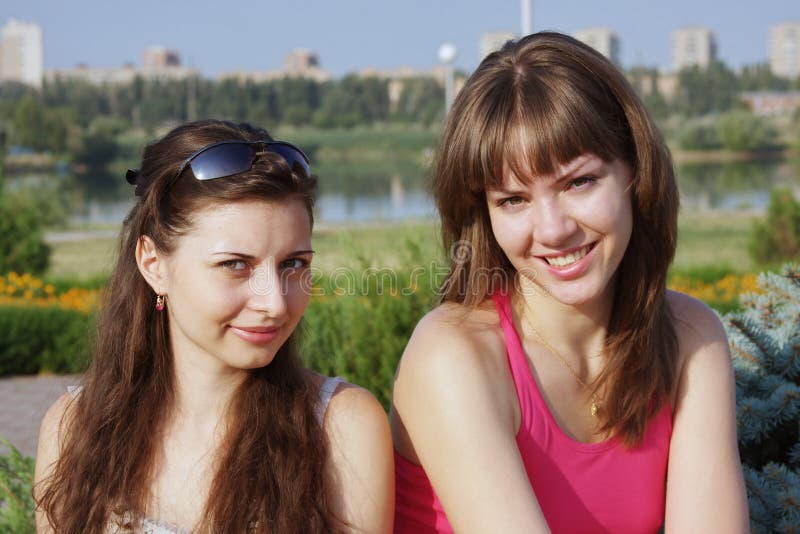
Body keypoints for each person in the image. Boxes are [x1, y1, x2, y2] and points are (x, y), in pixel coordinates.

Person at [391, 32, 749, 533]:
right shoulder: (453, 356)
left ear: (635, 173)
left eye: (578, 182)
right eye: (513, 199)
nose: (554, 228)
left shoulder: (691, 337)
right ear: (484, 214)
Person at [34, 120, 394, 533]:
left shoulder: (340, 428)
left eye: (294, 264)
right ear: (154, 264)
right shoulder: (74, 431)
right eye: (235, 265)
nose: (275, 303)